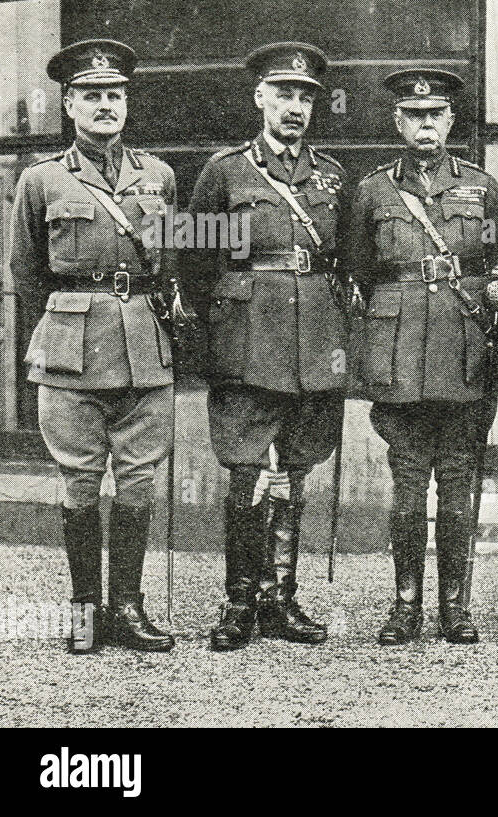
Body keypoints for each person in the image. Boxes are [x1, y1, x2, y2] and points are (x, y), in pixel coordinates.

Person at [341, 68, 498, 645]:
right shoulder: (373, 192)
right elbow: (356, 277)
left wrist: (484, 315)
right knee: (407, 488)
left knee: (458, 484)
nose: (425, 124)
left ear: (449, 122)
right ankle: (404, 607)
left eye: (435, 115)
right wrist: (381, 337)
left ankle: (455, 608)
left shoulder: (480, 187)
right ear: (399, 122)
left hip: (465, 356)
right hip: (400, 362)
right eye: (413, 116)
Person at [181, 42, 352, 651]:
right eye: (283, 93)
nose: (295, 106)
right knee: (247, 474)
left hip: (314, 346)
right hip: (247, 344)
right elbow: (193, 264)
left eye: (305, 96)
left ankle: (281, 598)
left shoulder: (331, 176)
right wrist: (211, 343)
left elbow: (346, 263)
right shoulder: (225, 172)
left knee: (296, 471)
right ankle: (238, 603)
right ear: (259, 97)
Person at [11, 39, 178, 653]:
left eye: (115, 95)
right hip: (71, 350)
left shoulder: (157, 175)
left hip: (143, 345)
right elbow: (26, 273)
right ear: (69, 105)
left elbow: (170, 259)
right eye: (91, 96)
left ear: (127, 103)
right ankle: (86, 614)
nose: (105, 105)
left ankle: (127, 608)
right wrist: (62, 323)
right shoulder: (41, 179)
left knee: (138, 481)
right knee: (79, 482)